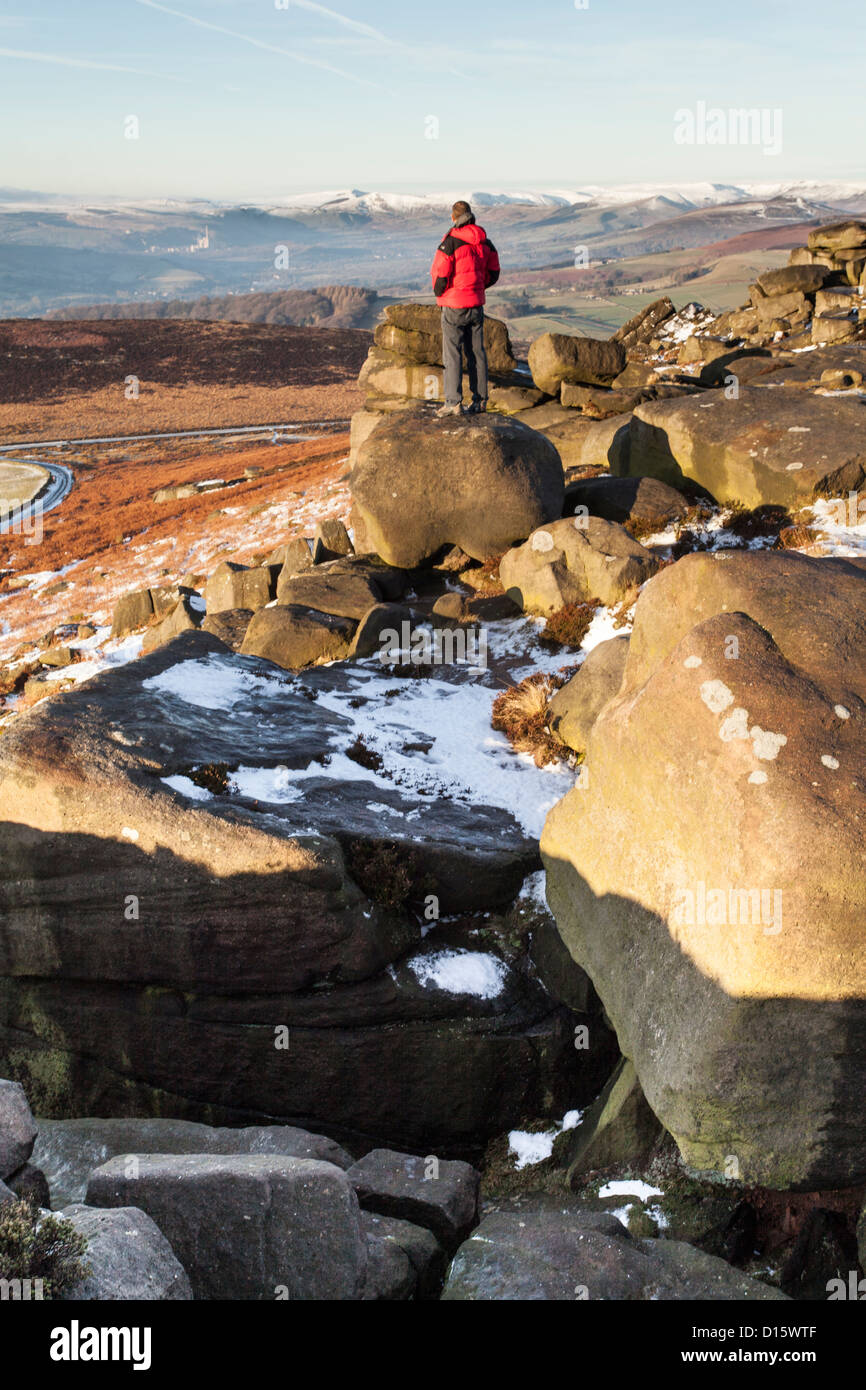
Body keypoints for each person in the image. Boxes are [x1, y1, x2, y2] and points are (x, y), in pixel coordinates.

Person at [430, 200, 500, 417]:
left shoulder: (450, 242)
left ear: (453, 217)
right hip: (476, 304)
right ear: (471, 217)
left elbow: (441, 274)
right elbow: (494, 272)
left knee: (453, 354)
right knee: (477, 353)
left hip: (454, 305)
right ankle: (480, 401)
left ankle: (453, 402)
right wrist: (477, 288)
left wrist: (441, 293)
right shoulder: (485, 242)